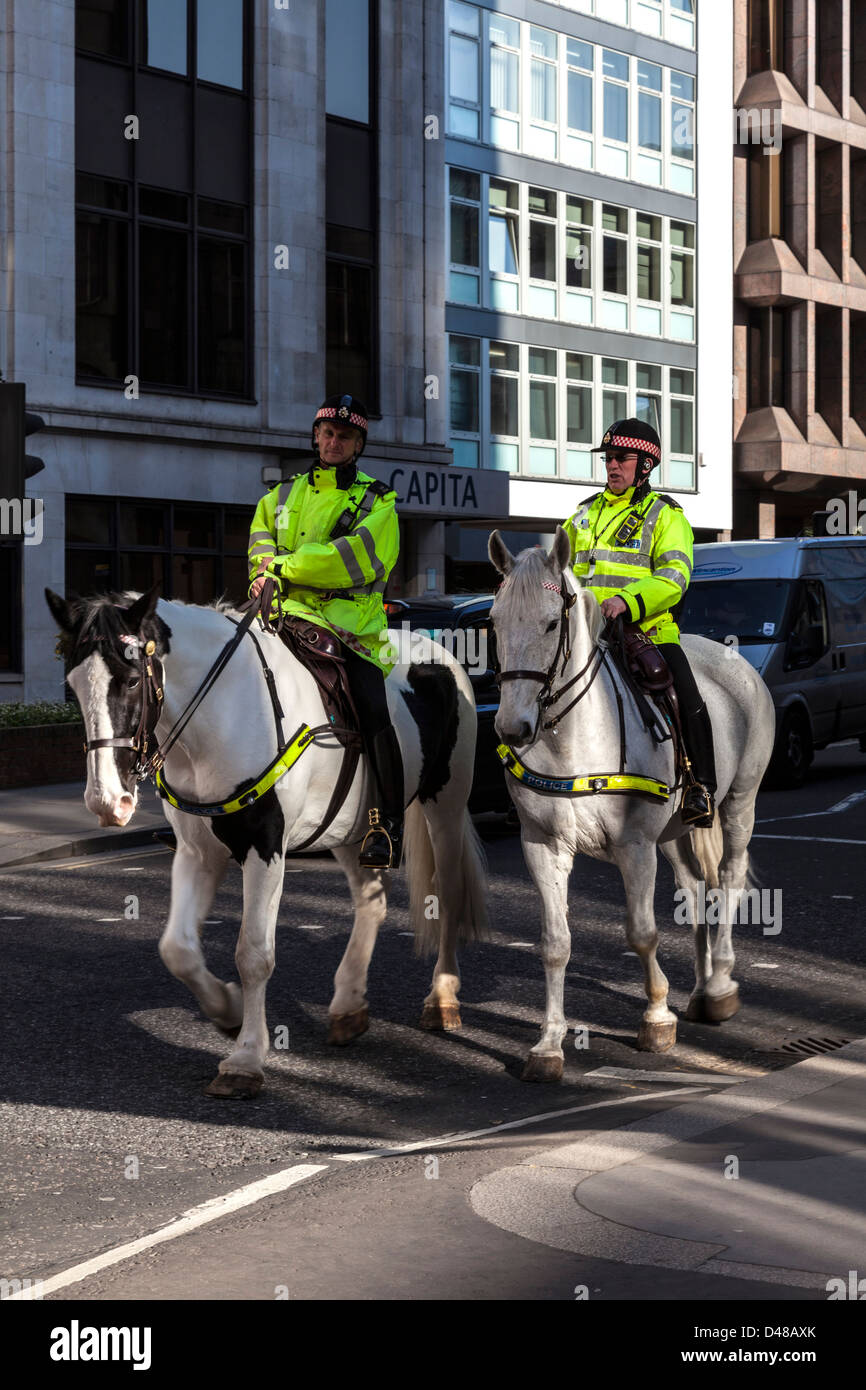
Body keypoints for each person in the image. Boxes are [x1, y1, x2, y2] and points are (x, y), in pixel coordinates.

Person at [248, 393, 404, 868]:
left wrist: (283, 566)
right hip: (280, 614)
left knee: (372, 707)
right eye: (328, 433)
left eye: (346, 436)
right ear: (316, 436)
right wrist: (263, 571)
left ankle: (386, 824)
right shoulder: (278, 495)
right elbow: (259, 542)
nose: (335, 442)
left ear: (359, 445)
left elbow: (350, 561)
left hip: (348, 627)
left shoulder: (378, 502)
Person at [563, 418, 716, 827]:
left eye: (621, 458)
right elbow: (559, 568)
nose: (612, 465)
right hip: (587, 632)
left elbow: (675, 578)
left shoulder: (666, 515)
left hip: (647, 630)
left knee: (686, 694)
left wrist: (627, 601)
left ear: (645, 464)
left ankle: (701, 786)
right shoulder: (583, 514)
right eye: (608, 458)